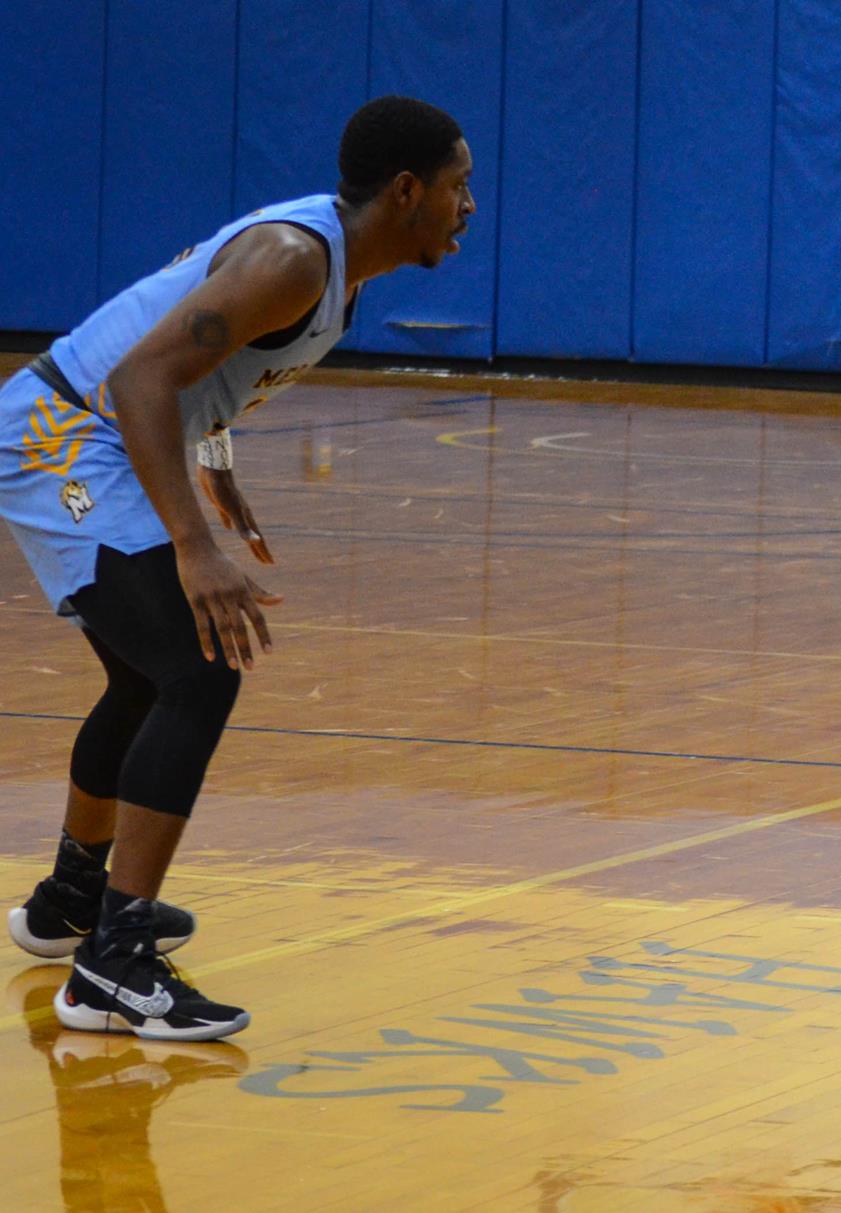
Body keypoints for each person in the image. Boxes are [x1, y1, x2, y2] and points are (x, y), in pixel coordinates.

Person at [2, 95, 475, 1041]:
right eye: (460, 188)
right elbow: (141, 377)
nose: (470, 207)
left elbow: (202, 364)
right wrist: (193, 545)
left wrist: (212, 460)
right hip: (62, 440)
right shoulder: (296, 258)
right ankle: (114, 965)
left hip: (95, 435)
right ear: (408, 190)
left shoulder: (336, 268)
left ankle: (72, 902)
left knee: (147, 675)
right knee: (200, 661)